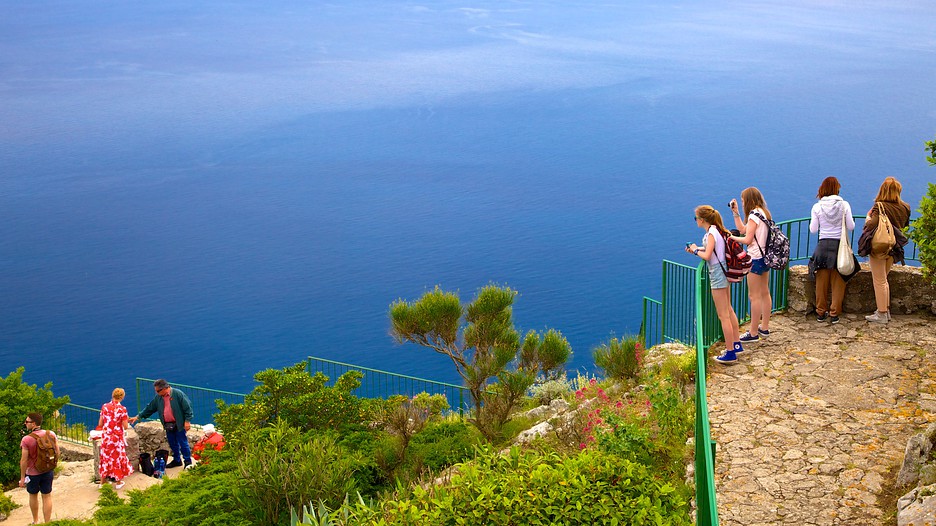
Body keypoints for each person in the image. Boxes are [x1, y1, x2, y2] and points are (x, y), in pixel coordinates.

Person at [687, 205, 743, 364]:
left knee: (722, 315)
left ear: (702, 219)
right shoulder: (716, 230)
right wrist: (696, 248)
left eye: (696, 218)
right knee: (729, 309)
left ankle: (730, 353)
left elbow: (707, 255)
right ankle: (736, 343)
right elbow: (712, 249)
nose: (695, 221)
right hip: (724, 270)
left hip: (717, 275)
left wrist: (695, 251)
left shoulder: (710, 233)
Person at [860, 176, 912, 323]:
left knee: (879, 280)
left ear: (882, 190)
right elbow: (905, 226)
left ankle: (882, 314)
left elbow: (870, 226)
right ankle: (885, 310)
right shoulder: (905, 207)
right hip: (894, 247)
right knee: (884, 279)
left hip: (880, 247)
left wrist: (868, 216)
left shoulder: (879, 206)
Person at [808, 177, 855, 323]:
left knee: (821, 282)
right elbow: (851, 226)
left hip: (822, 247)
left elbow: (813, 230)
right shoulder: (844, 205)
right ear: (836, 189)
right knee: (838, 282)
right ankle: (834, 314)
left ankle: (821, 312)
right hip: (839, 248)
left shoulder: (817, 207)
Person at [728, 187, 773, 342]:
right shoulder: (764, 213)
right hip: (765, 257)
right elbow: (743, 229)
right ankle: (764, 328)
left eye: (742, 201)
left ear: (748, 200)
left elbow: (747, 240)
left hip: (755, 258)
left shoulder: (754, 216)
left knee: (754, 296)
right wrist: (735, 213)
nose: (741, 203)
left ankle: (753, 333)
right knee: (765, 292)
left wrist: (731, 238)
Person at [129, 379, 194, 468]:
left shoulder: (177, 394)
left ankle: (188, 462)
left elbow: (187, 408)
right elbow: (150, 408)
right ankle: (177, 460)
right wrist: (138, 417)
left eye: (158, 391)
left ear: (165, 388)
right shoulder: (159, 398)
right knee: (172, 444)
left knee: (183, 443)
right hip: (168, 424)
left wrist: (187, 421)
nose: (156, 393)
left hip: (179, 424)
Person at [20, 412, 60, 524]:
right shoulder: (51, 434)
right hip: (48, 471)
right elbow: (57, 452)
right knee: (47, 496)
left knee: (33, 495)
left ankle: (36, 521)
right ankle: (47, 522)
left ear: (33, 424)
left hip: (33, 473)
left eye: (27, 422)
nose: (25, 423)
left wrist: (22, 477)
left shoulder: (26, 439)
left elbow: (23, 460)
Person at [98, 388, 134, 488]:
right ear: (122, 397)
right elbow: (125, 426)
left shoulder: (104, 407)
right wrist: (126, 420)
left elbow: (100, 423)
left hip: (106, 438)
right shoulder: (122, 409)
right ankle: (118, 482)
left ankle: (102, 482)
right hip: (117, 439)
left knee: (105, 458)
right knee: (117, 459)